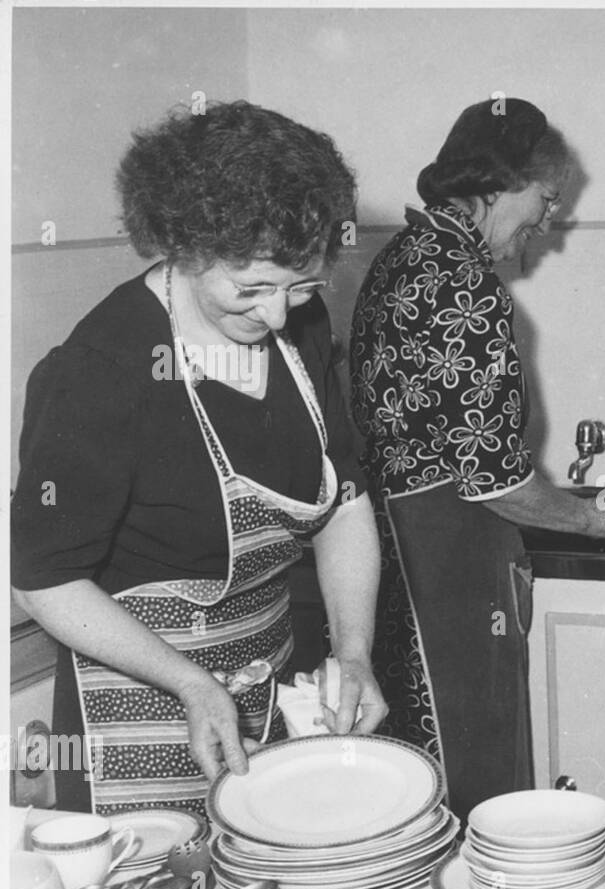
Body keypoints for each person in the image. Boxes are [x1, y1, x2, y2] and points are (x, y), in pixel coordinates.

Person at [11, 102, 388, 818]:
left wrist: (355, 651)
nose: (279, 316)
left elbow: (344, 501)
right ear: (183, 246)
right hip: (135, 715)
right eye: (250, 289)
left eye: (301, 285)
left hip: (265, 687)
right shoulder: (102, 370)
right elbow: (40, 580)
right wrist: (189, 681)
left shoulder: (298, 333)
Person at [350, 98, 605, 820]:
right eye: (546, 199)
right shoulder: (468, 285)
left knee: (414, 783)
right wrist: (596, 520)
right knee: (476, 777)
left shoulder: (401, 257)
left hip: (392, 556)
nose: (548, 220)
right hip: (450, 561)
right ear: (496, 185)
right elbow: (496, 482)